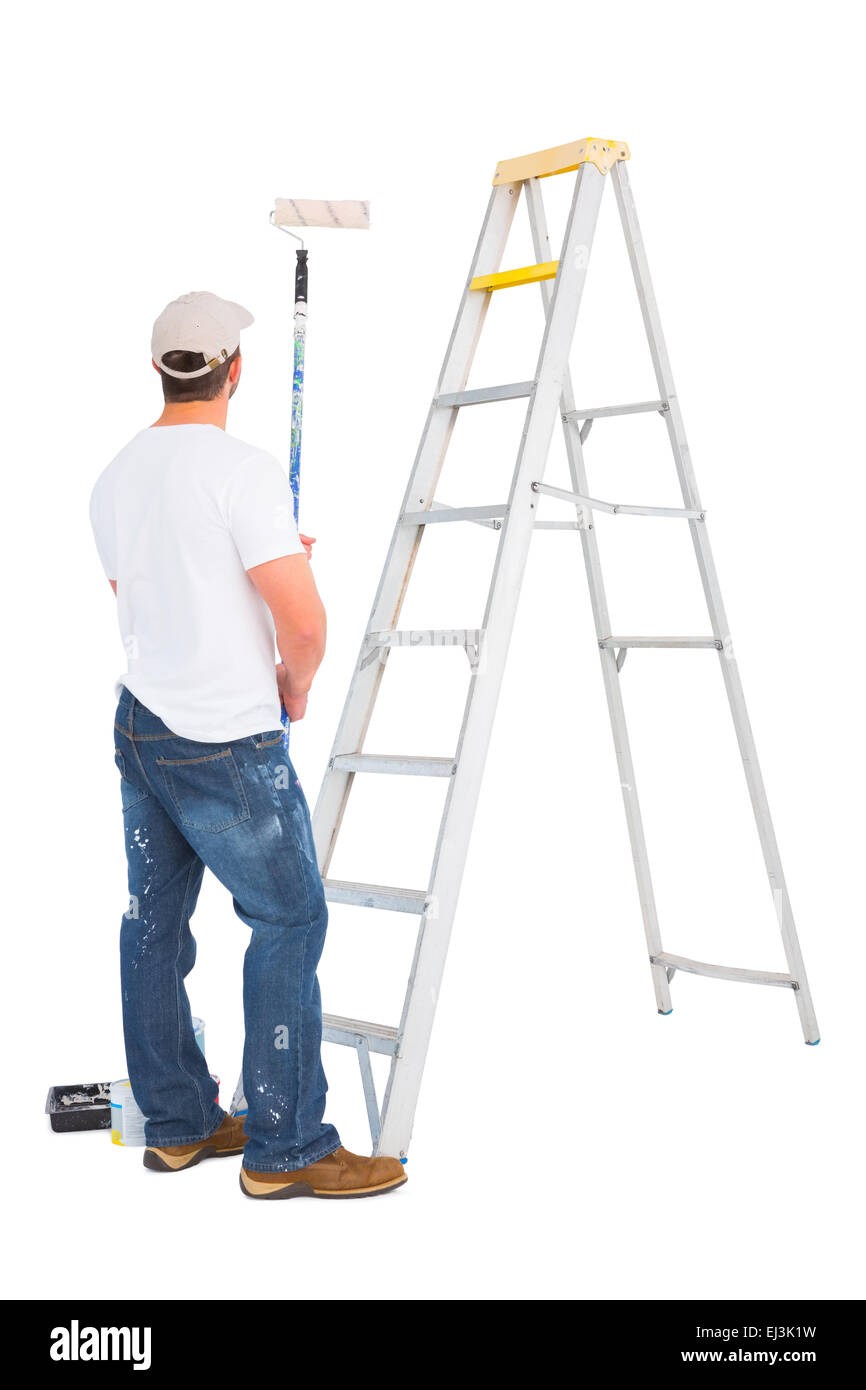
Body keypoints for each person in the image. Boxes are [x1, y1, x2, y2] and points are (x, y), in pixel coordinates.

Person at [89, 291, 406, 1201]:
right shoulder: (244, 470)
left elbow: (146, 591)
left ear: (158, 369)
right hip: (227, 738)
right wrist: (294, 684)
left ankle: (181, 1123)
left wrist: (260, 555)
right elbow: (302, 625)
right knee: (290, 918)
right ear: (235, 371)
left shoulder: (113, 477)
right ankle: (288, 1144)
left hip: (144, 725)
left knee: (152, 924)